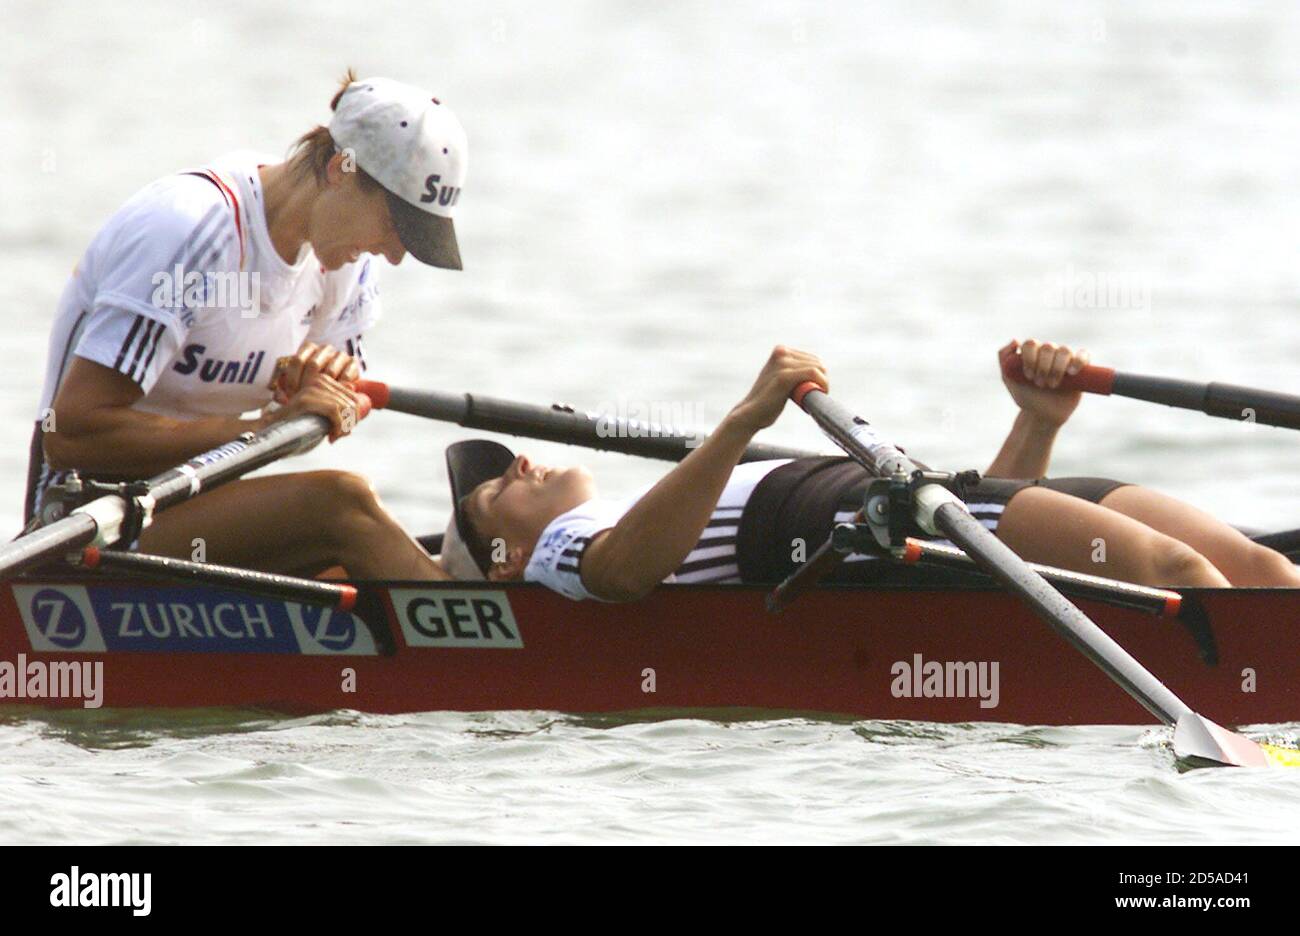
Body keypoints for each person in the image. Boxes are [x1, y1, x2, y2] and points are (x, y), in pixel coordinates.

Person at [435, 342, 1300, 600]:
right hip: (857, 528)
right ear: (504, 558)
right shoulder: (563, 555)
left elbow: (976, 545)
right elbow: (625, 575)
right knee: (1180, 576)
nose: (519, 462)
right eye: (495, 487)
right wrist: (742, 420)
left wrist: (1035, 422)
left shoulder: (639, 506)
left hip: (922, 510)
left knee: (1261, 572)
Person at [25, 70, 458, 580]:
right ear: (342, 168)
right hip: (86, 521)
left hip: (198, 506)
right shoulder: (191, 230)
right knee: (341, 504)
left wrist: (324, 391)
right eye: (396, 226)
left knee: (362, 572)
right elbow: (72, 435)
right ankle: (492, 648)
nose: (395, 255)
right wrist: (261, 431)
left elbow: (340, 405)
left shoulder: (345, 261)